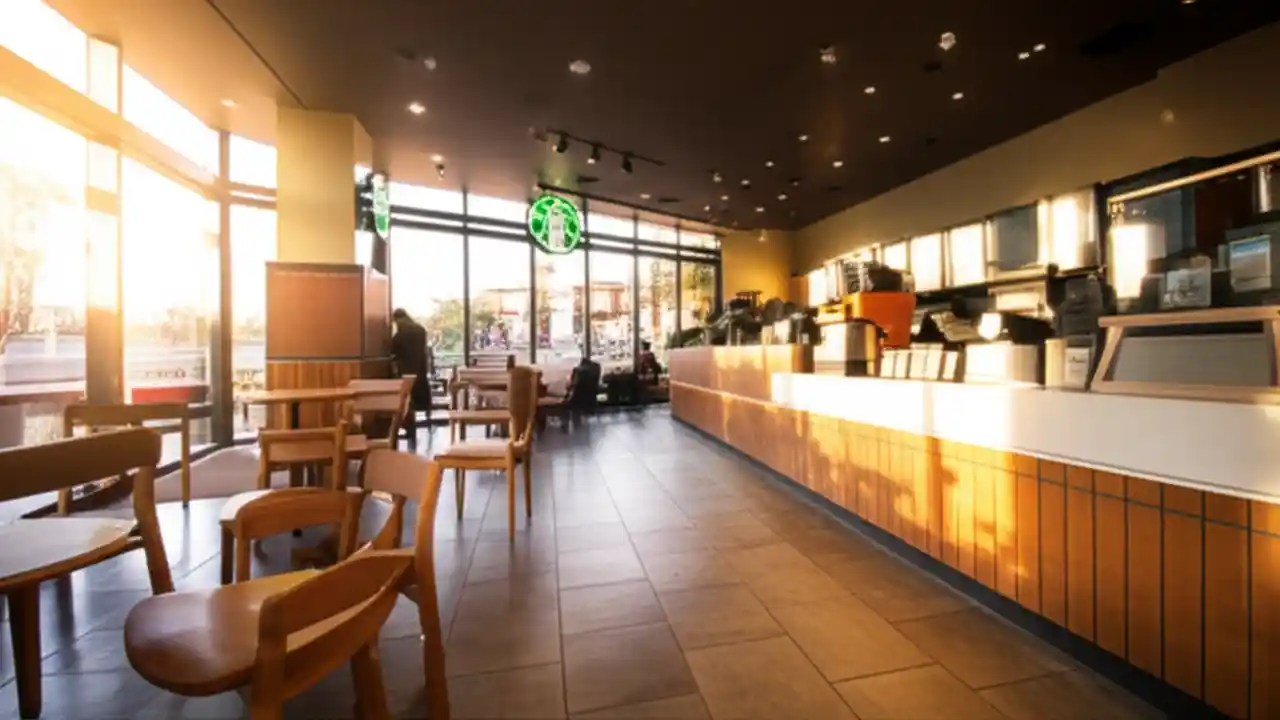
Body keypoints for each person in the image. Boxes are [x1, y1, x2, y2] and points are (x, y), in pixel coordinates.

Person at [391, 308, 429, 446]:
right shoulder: (420, 330)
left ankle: (409, 427)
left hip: (406, 370)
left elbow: (394, 352)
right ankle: (423, 419)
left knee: (407, 399)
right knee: (417, 396)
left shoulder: (399, 336)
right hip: (420, 367)